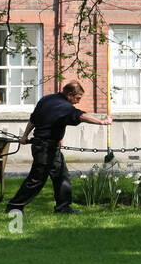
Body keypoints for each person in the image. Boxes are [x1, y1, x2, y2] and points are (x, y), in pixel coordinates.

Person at [7, 80, 112, 215]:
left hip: (46, 145)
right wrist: (102, 122)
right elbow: (81, 115)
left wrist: (24, 136)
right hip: (45, 149)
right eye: (77, 98)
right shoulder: (65, 106)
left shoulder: (46, 100)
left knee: (61, 176)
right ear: (70, 94)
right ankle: (14, 206)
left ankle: (63, 208)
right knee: (36, 179)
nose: (77, 101)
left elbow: (35, 119)